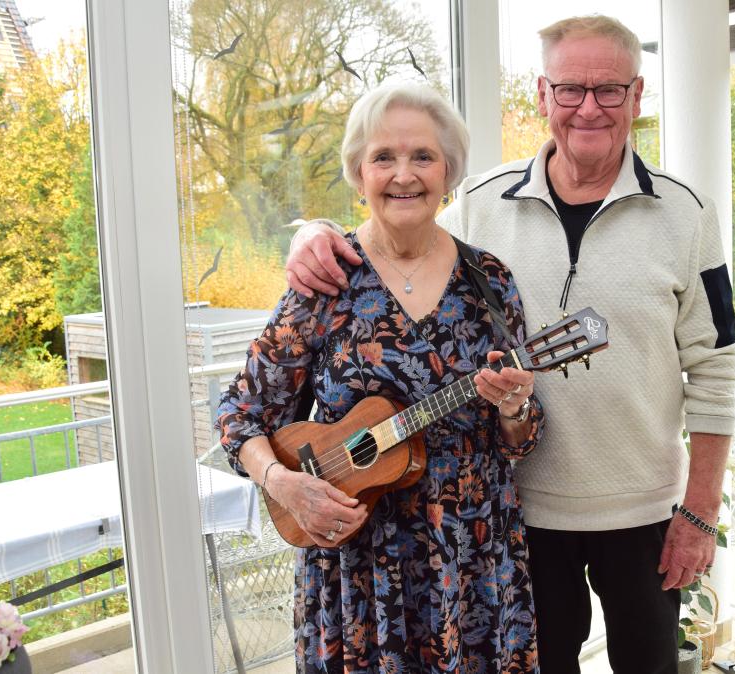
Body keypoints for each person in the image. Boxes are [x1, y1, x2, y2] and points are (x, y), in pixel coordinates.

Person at [285, 15, 735, 674]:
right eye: (570, 89)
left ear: (637, 96)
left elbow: (717, 370)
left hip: (643, 514)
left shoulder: (687, 214)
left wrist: (699, 514)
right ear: (543, 94)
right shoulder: (481, 203)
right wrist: (313, 232)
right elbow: (392, 236)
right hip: (520, 515)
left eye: (609, 89)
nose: (589, 108)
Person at [217, 82, 544, 674]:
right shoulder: (326, 279)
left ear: (448, 172)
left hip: (470, 562)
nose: (404, 175)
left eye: (423, 156)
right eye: (383, 157)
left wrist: (514, 409)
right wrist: (284, 485)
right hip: (359, 572)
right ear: (359, 173)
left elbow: (520, 441)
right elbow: (242, 413)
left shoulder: (490, 280)